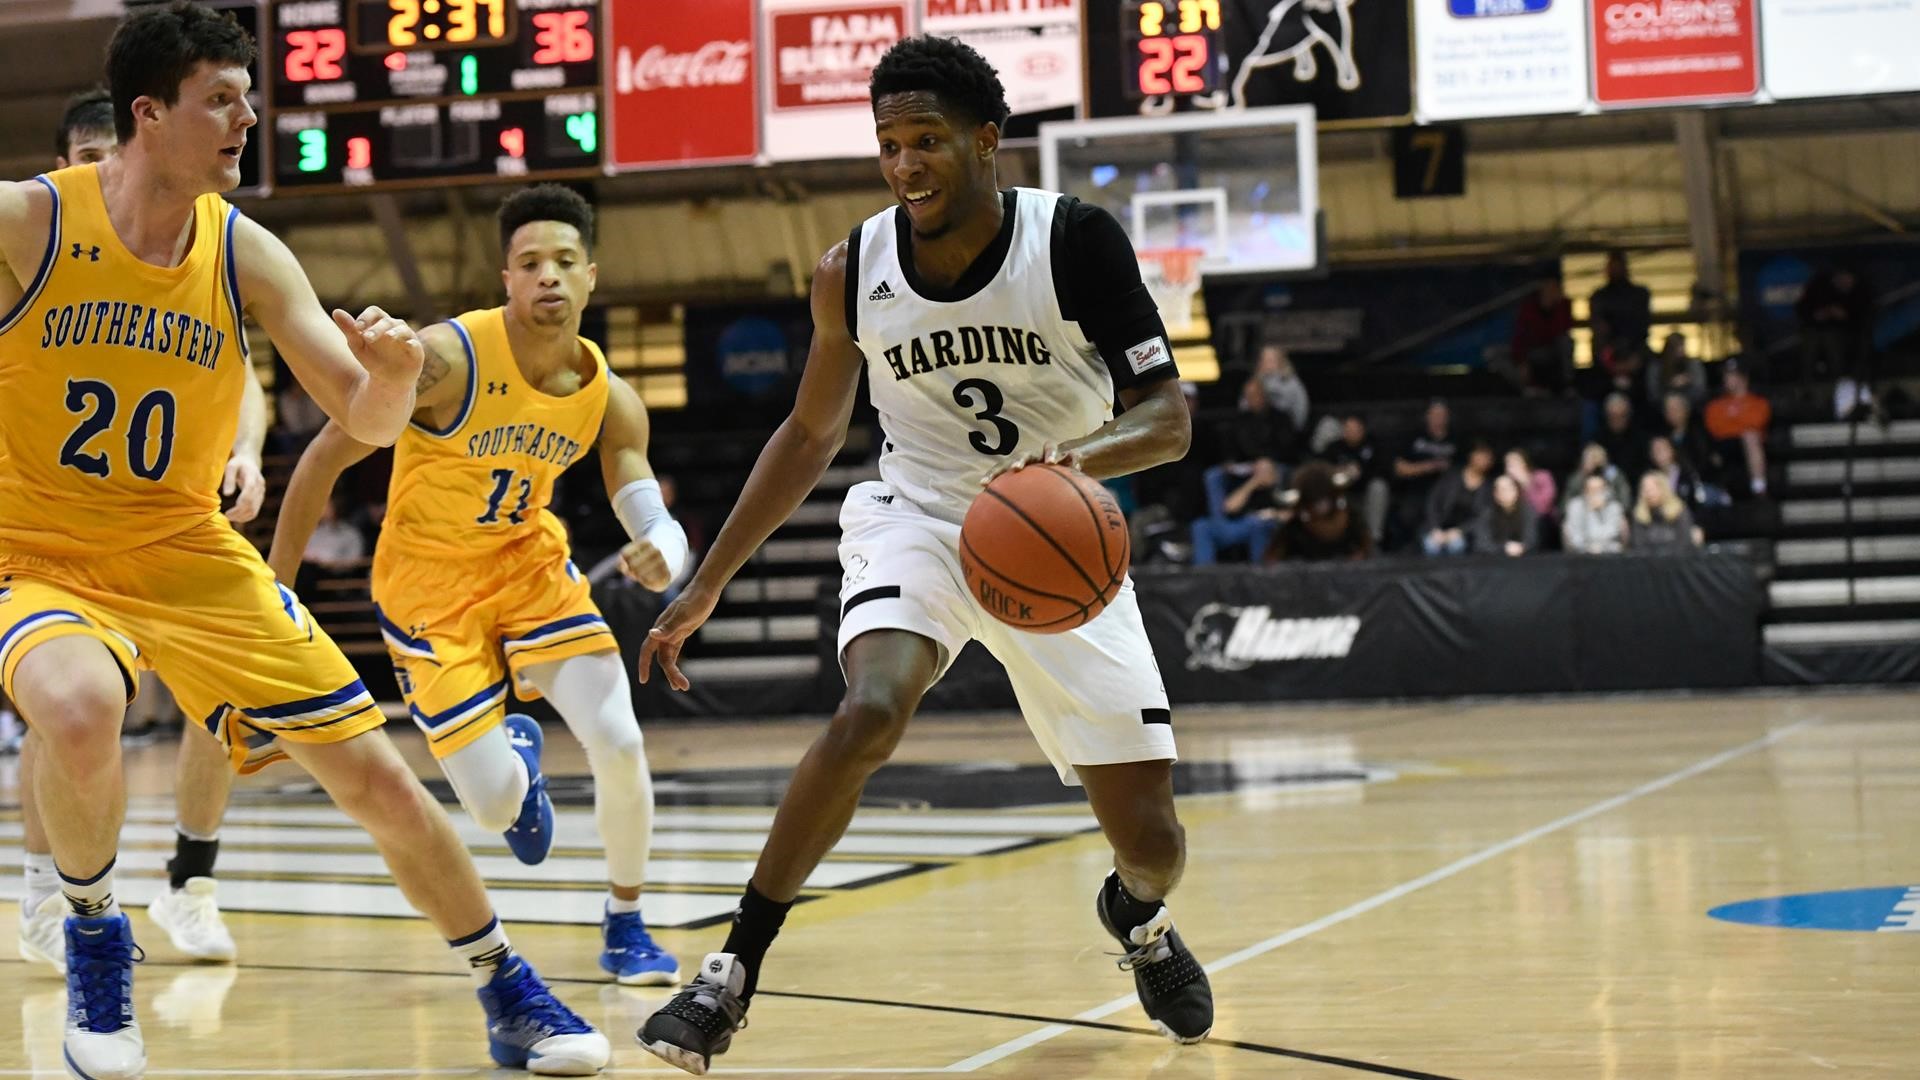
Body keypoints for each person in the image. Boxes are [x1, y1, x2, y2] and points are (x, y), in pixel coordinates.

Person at [0, 6, 607, 1076]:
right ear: (149, 114)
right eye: (221, 100)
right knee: (81, 705)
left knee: (377, 777)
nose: (248, 118)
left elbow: (359, 424)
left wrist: (390, 380)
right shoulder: (29, 223)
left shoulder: (248, 251)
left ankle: (508, 987)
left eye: (250, 96)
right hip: (37, 549)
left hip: (191, 554)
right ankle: (97, 934)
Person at [632, 36, 1211, 1075]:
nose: (906, 167)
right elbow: (809, 437)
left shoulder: (1076, 241)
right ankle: (729, 974)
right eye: (889, 145)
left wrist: (1073, 465)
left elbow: (1170, 416)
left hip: (1056, 531)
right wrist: (707, 580)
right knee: (869, 710)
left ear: (988, 140)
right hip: (921, 518)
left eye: (928, 142)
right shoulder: (851, 271)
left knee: (1155, 840)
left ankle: (1139, 920)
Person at [268, 185, 683, 987]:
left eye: (564, 261)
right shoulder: (445, 359)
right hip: (428, 589)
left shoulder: (608, 394)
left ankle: (627, 922)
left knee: (621, 740)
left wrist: (661, 544)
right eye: (530, 263)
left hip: (530, 569)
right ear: (506, 279)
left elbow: (637, 487)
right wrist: (278, 589)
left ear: (591, 276)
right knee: (493, 809)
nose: (548, 277)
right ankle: (516, 765)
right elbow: (322, 458)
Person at [15, 82, 260, 978]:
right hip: (63, 537)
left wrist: (248, 452)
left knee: (220, 703)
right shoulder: (31, 251)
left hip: (173, 528)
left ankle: (190, 883)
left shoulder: (198, 249)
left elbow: (245, 379)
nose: (109, 173)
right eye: (89, 162)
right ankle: (49, 893)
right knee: (69, 713)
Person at [1271, 462, 1371, 561]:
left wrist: (1359, 557)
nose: (1321, 504)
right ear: (1306, 502)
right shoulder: (1296, 526)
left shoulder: (1350, 516)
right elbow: (1273, 559)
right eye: (1315, 500)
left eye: (1325, 498)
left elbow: (1366, 546)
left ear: (1333, 495)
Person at [1191, 457, 1283, 564]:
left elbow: (1293, 511)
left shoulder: (1281, 486)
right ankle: (1203, 574)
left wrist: (1273, 514)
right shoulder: (1249, 484)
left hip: (1264, 525)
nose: (1261, 474)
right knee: (1201, 526)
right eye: (1258, 471)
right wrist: (1253, 483)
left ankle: (1262, 572)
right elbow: (1229, 508)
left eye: (1266, 471)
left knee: (1259, 524)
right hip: (1238, 524)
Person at [1392, 399, 1457, 546]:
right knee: (1406, 515)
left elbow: (1464, 471)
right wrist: (1429, 466)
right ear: (1427, 416)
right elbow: (1399, 468)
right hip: (1418, 490)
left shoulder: (1456, 439)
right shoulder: (1415, 438)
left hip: (1448, 493)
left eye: (1442, 415)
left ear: (1447, 417)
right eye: (1434, 414)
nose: (1438, 418)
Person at [1704, 361, 1771, 497]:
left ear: (1743, 378)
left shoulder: (1758, 403)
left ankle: (1759, 488)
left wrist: (1733, 423)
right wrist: (1740, 424)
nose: (1726, 379)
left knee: (1750, 437)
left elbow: (1756, 424)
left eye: (1731, 375)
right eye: (1726, 375)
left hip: (1751, 444)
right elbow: (1715, 428)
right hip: (1725, 445)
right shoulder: (1715, 406)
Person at [1421, 439, 1495, 556]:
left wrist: (1459, 531)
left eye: (1487, 458)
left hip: (1463, 532)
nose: (1483, 460)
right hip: (1438, 527)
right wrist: (1435, 528)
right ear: (1471, 456)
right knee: (1431, 545)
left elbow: (1483, 517)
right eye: (1480, 456)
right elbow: (1433, 502)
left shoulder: (1488, 487)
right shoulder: (1452, 476)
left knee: (1457, 546)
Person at [1324, 413, 1389, 542]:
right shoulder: (1334, 447)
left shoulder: (1373, 445)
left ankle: (1373, 538)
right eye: (1348, 429)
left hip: (1366, 494)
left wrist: (1361, 472)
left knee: (1379, 486)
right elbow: (1321, 471)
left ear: (1363, 430)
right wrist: (1340, 471)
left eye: (1355, 429)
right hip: (1342, 494)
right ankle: (1329, 537)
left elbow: (1384, 471)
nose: (1352, 432)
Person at [1511, 277, 1572, 395]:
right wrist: (1521, 360)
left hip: (1553, 352)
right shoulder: (1529, 308)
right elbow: (1520, 336)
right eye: (1548, 288)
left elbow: (1562, 331)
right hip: (1532, 352)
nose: (1551, 292)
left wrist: (1557, 307)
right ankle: (1529, 388)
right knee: (1496, 356)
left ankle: (1565, 387)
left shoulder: (1563, 305)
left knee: (1566, 342)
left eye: (1554, 288)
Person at [1590, 250, 1651, 359]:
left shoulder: (1639, 294)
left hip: (1635, 348)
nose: (1615, 270)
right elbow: (1599, 325)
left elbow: (1641, 326)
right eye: (1612, 267)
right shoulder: (1599, 296)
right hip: (1608, 351)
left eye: (1617, 266)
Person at [1630, 472, 1702, 552]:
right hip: (1648, 561)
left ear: (1663, 489)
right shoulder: (1639, 515)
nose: (1649, 493)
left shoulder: (1679, 511)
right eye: (1646, 490)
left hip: (1677, 560)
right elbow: (1638, 545)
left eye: (1653, 488)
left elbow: (1684, 543)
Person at [1472, 474, 1538, 557]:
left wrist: (1521, 548)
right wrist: (1504, 548)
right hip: (1494, 562)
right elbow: (1480, 543)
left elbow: (1532, 541)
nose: (1503, 493)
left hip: (1525, 561)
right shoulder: (1487, 513)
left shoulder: (1528, 512)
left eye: (1507, 489)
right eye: (1498, 490)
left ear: (1516, 491)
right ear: (1494, 494)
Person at [1562, 474, 1628, 555]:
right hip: (1581, 556)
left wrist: (1600, 512)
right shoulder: (1575, 506)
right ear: (1584, 491)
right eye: (1591, 490)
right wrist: (1591, 512)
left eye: (1600, 489)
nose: (1596, 493)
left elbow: (1612, 535)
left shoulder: (1615, 507)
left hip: (1610, 555)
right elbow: (1576, 538)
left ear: (1607, 490)